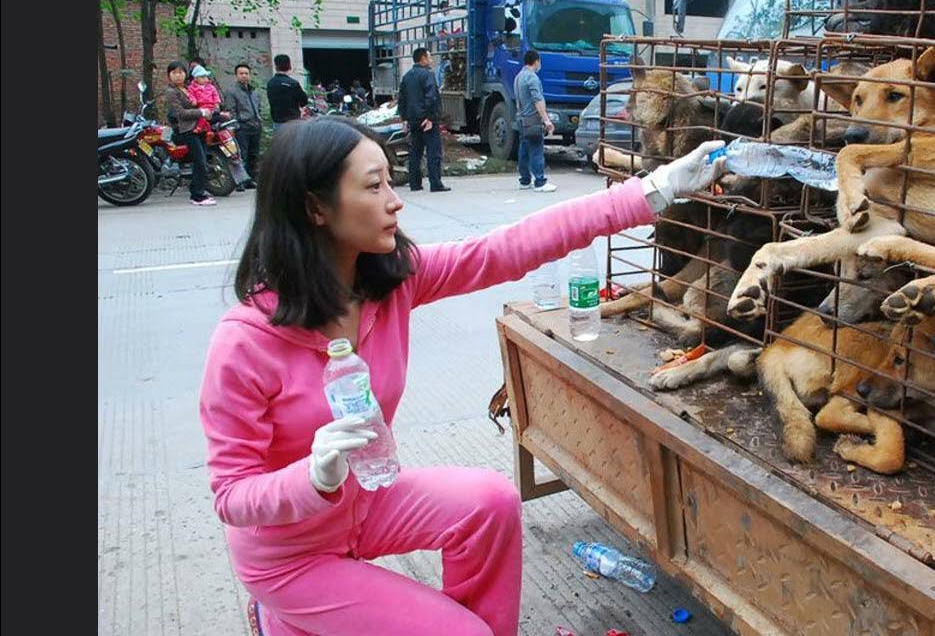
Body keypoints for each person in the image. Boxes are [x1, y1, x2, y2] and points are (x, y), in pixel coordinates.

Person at [199, 116, 725, 636]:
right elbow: (231, 496)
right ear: (315, 207)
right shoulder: (245, 342)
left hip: (366, 502)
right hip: (290, 555)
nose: (395, 201)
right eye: (374, 186)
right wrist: (311, 477)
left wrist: (656, 189)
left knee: (491, 503)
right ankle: (279, 618)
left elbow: (507, 249)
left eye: (391, 180)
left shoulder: (391, 282)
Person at [163, 61, 217, 206]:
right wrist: (201, 112)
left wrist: (210, 109)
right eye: (174, 73)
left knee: (202, 161)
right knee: (200, 161)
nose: (178, 76)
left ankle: (199, 191)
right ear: (169, 75)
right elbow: (180, 112)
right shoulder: (171, 92)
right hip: (187, 129)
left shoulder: (189, 88)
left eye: (180, 72)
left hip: (201, 128)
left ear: (186, 74)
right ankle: (197, 196)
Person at [397, 48, 449, 192]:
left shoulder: (407, 76)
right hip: (427, 120)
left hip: (413, 120)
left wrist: (404, 118)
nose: (431, 60)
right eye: (429, 57)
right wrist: (430, 117)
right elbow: (431, 97)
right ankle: (435, 183)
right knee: (433, 152)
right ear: (423, 59)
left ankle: (415, 184)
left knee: (415, 152)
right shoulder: (428, 75)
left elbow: (402, 99)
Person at [514, 49, 556, 192]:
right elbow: (538, 100)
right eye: (539, 62)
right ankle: (540, 182)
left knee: (524, 150)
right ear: (536, 61)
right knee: (536, 149)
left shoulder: (518, 77)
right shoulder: (532, 78)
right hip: (532, 120)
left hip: (521, 119)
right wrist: (546, 120)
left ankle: (525, 180)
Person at [227, 63, 264, 182]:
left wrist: (259, 120)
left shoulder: (254, 91)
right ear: (236, 75)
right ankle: (241, 181)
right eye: (241, 73)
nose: (244, 76)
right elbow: (230, 110)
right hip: (242, 126)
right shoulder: (232, 91)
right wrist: (236, 125)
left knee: (254, 154)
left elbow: (258, 107)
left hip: (255, 125)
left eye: (246, 73)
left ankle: (251, 179)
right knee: (242, 155)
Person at [267, 54, 309, 125]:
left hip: (277, 122)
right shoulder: (293, 83)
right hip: (293, 123)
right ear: (289, 66)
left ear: (276, 67)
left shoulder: (270, 83)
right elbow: (304, 101)